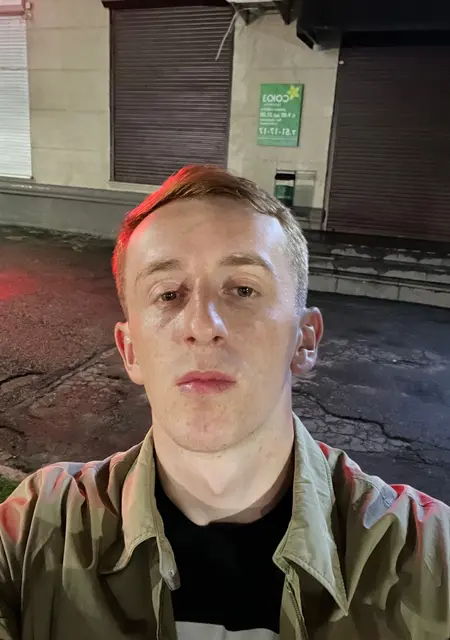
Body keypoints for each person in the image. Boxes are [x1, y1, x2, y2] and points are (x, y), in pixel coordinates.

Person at [0, 165, 449, 640]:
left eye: (242, 290)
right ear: (130, 351)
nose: (202, 325)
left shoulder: (426, 556)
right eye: (167, 294)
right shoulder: (37, 529)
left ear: (304, 340)